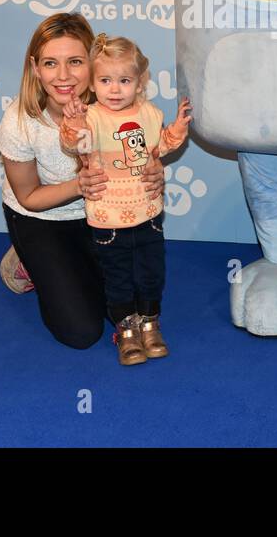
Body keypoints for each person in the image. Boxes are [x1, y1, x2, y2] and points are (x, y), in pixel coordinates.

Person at [0, 13, 164, 349]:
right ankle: (25, 258)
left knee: (123, 303)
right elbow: (28, 196)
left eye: (75, 61)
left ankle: (73, 266)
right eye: (50, 63)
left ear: (93, 63)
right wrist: (79, 186)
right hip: (40, 218)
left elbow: (140, 155)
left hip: (103, 217)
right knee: (81, 332)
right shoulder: (19, 122)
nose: (63, 76)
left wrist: (154, 171)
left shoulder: (116, 102)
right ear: (35, 67)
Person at [59, 33, 192, 365]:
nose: (114, 89)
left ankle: (150, 323)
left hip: (147, 213)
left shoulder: (148, 114)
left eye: (123, 80)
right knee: (118, 277)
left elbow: (157, 147)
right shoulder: (91, 117)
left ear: (139, 82)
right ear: (92, 82)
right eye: (105, 80)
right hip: (108, 218)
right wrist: (73, 122)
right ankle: (127, 332)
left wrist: (176, 129)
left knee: (151, 273)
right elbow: (78, 145)